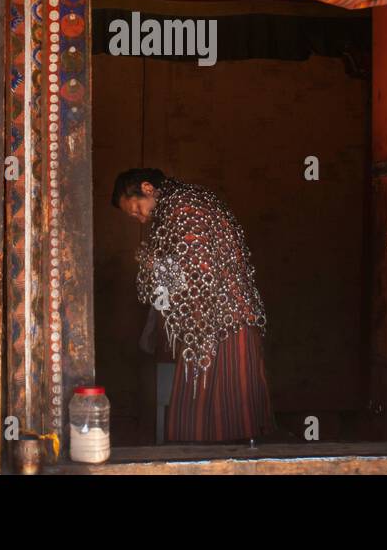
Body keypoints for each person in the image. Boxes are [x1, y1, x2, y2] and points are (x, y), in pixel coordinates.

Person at [111, 167, 277, 443]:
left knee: (223, 415)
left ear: (148, 189)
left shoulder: (183, 209)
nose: (140, 219)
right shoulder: (183, 204)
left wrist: (150, 262)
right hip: (219, 318)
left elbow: (198, 272)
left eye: (137, 209)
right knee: (220, 416)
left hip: (222, 318)